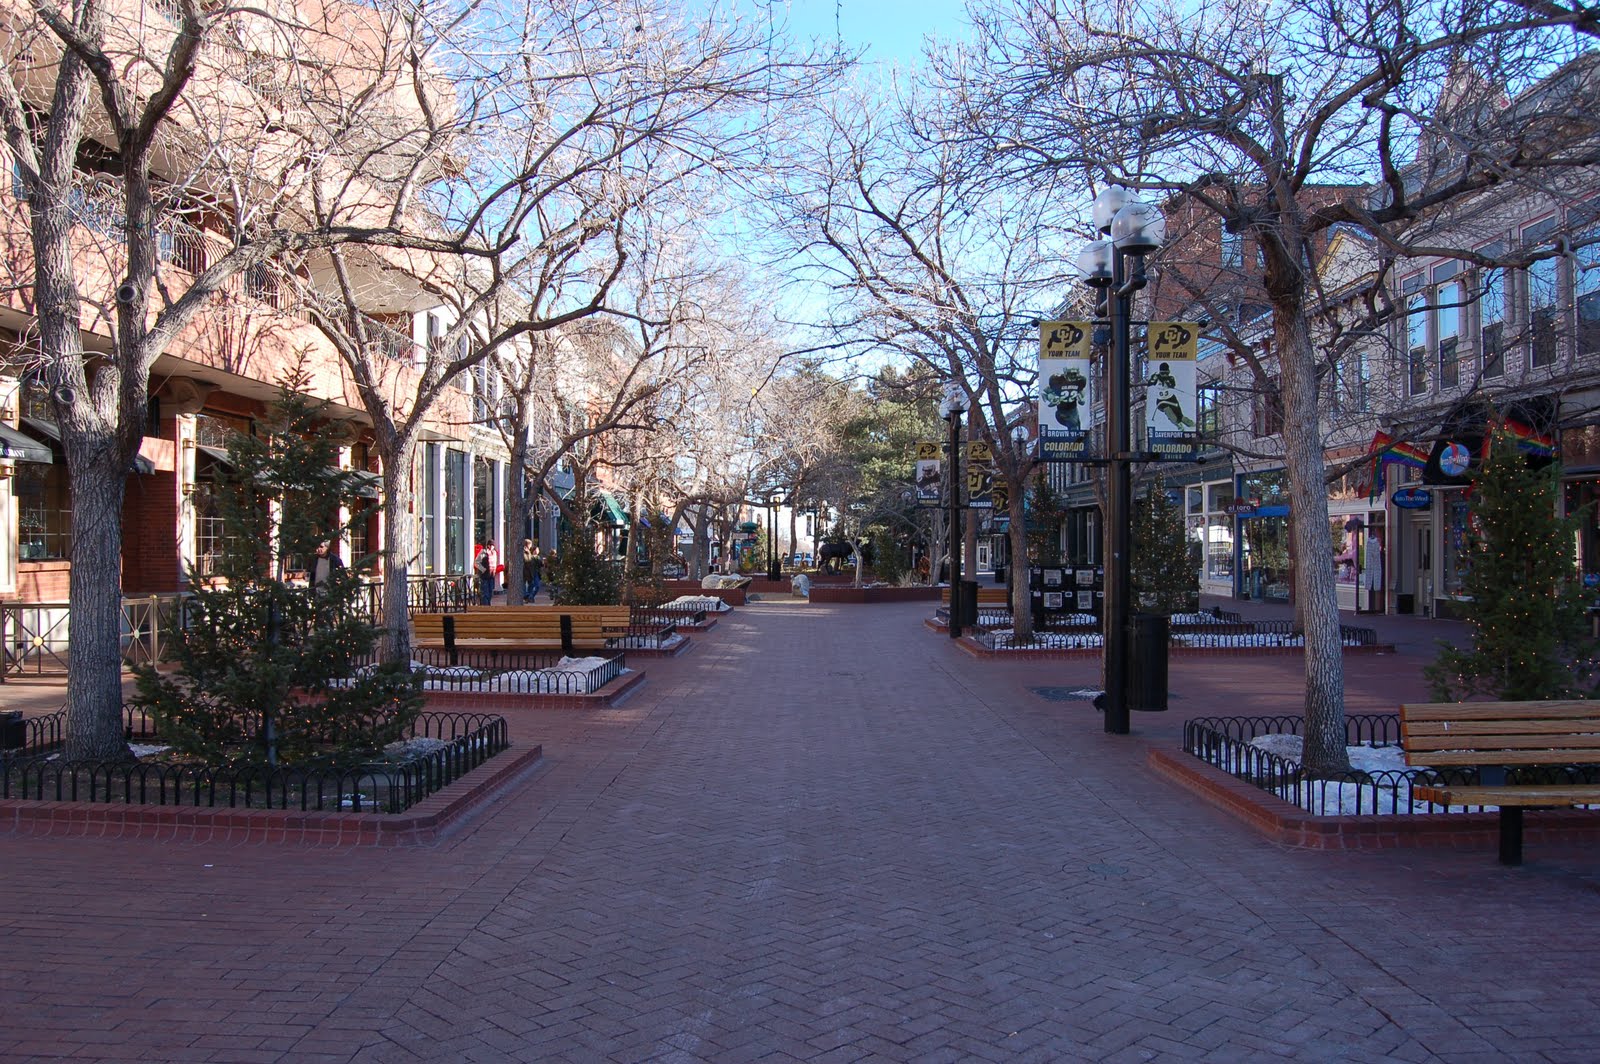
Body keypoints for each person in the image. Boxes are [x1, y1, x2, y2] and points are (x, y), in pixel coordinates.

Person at [474, 540, 496, 606]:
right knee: (485, 593)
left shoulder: (494, 553)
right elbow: (476, 562)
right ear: (488, 545)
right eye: (492, 545)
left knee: (490, 592)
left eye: (493, 545)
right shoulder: (483, 552)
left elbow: (494, 563)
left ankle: (488, 605)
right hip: (484, 576)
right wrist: (483, 570)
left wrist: (494, 571)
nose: (493, 547)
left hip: (491, 576)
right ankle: (485, 607)